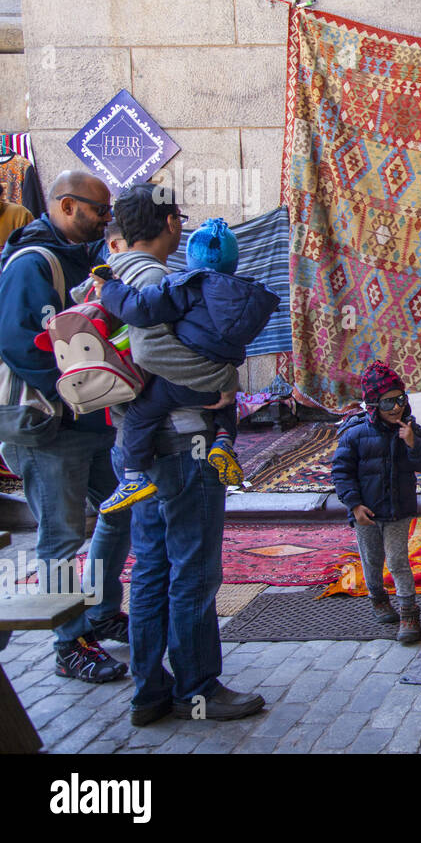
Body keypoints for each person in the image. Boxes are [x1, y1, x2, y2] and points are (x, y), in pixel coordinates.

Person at [105, 185, 262, 725]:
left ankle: (150, 690)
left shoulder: (112, 271)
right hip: (178, 443)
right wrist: (215, 382)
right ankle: (197, 688)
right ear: (171, 222)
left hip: (139, 443)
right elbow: (150, 350)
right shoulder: (153, 279)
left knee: (151, 567)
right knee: (192, 570)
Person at [0, 171, 132, 683]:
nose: (105, 219)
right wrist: (73, 387)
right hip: (50, 423)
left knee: (122, 507)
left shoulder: (87, 258)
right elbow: (15, 341)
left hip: (91, 419)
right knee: (61, 533)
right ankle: (69, 642)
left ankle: (99, 610)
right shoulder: (32, 263)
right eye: (98, 210)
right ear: (67, 205)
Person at [92, 216, 278, 512]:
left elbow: (139, 309)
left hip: (180, 381)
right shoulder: (246, 294)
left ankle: (134, 476)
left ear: (191, 258)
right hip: (219, 385)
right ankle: (224, 442)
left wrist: (112, 288)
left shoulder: (183, 286)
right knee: (228, 404)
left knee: (140, 414)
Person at [331, 362, 421, 644]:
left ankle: (408, 612)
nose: (396, 408)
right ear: (373, 405)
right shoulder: (354, 434)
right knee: (372, 559)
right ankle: (378, 598)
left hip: (398, 511)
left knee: (398, 560)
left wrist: (413, 443)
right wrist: (354, 505)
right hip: (366, 512)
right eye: (388, 402)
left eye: (400, 400)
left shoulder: (411, 430)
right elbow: (341, 472)